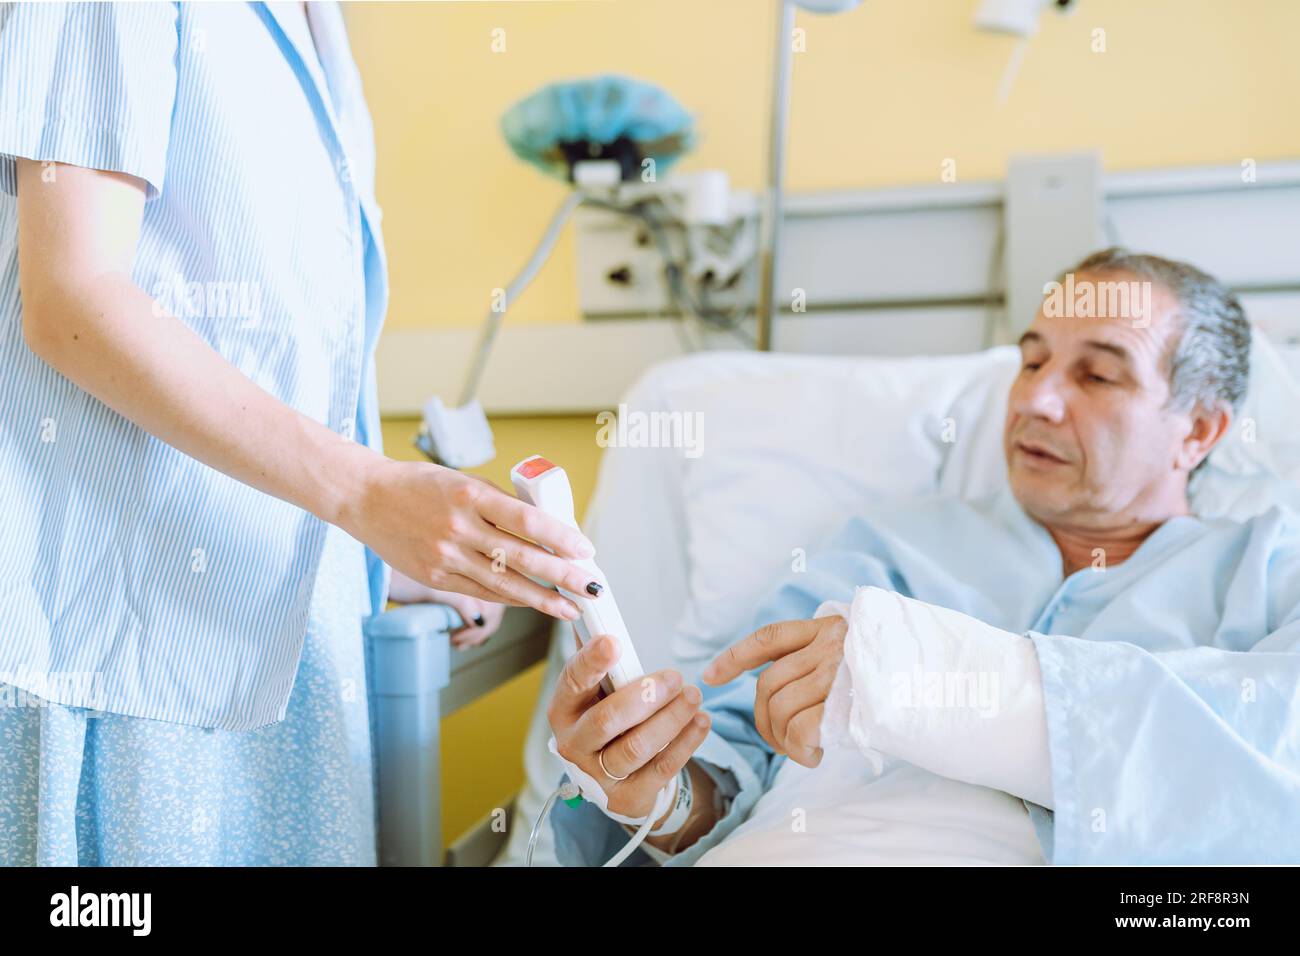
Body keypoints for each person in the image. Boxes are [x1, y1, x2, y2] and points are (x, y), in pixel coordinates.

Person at [0, 1, 598, 865]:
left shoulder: (318, 24)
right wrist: (365, 494)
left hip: (269, 641)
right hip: (115, 655)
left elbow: (258, 343)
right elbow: (74, 301)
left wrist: (354, 552)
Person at [546, 248, 1300, 865]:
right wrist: (650, 790)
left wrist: (929, 677)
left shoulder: (1268, 572)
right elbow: (729, 778)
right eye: (1031, 362)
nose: (1036, 400)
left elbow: (1273, 758)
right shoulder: (887, 549)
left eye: (1097, 374)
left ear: (1199, 430)